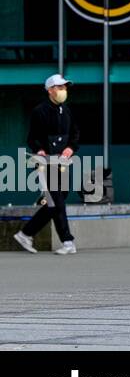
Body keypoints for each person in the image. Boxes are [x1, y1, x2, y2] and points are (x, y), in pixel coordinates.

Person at [13, 73, 79, 255]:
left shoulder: (66, 110)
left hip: (62, 163)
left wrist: (70, 149)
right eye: (59, 87)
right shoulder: (39, 111)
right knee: (56, 201)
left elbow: (75, 135)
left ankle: (25, 233)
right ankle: (68, 241)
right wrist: (40, 150)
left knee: (55, 202)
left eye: (64, 87)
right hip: (45, 163)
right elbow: (32, 138)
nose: (63, 90)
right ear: (50, 90)